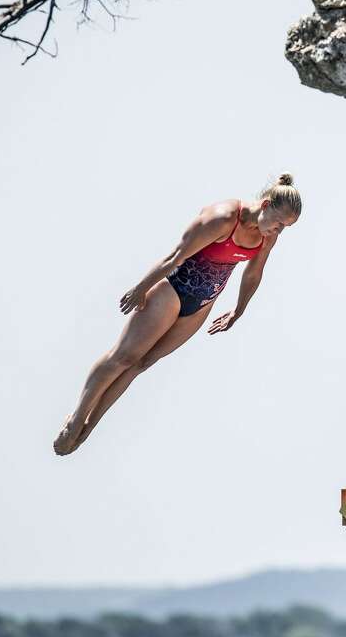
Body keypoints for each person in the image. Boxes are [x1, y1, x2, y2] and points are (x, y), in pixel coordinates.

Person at [52, 173, 303, 455]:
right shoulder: (222, 218)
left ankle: (88, 428)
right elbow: (176, 256)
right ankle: (76, 419)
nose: (279, 231)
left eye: (285, 228)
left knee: (142, 363)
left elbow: (253, 273)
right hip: (173, 288)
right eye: (279, 223)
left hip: (202, 303)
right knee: (125, 356)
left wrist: (238, 310)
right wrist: (142, 287)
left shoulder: (267, 237)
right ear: (266, 205)